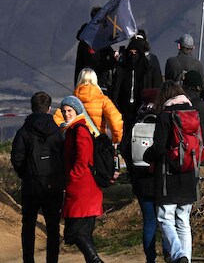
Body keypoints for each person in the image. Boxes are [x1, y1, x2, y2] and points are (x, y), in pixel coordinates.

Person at [142, 83, 201, 263]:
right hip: (190, 173)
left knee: (165, 217)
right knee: (183, 221)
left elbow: (159, 148)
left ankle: (178, 254)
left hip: (168, 174)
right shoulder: (193, 113)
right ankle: (186, 259)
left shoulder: (164, 116)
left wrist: (147, 155)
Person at [11, 91, 64, 263]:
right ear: (49, 108)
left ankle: (28, 260)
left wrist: (25, 174)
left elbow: (17, 158)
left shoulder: (24, 131)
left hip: (31, 184)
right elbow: (64, 157)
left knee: (28, 225)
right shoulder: (57, 132)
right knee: (53, 227)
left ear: (32, 108)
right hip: (53, 185)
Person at [60, 95, 105, 263]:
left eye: (70, 110)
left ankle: (96, 261)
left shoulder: (79, 131)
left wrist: (70, 179)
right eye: (64, 111)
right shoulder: (72, 130)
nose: (66, 114)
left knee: (76, 232)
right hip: (81, 189)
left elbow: (82, 160)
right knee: (81, 234)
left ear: (77, 111)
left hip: (82, 189)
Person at [120, 88, 160, 263]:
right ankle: (168, 254)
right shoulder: (163, 120)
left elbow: (125, 150)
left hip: (141, 180)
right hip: (160, 179)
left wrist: (132, 173)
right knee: (166, 221)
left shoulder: (136, 121)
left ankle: (150, 258)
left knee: (149, 222)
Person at [54, 68, 124, 145]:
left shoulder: (71, 100)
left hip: (76, 142)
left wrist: (67, 132)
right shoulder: (103, 100)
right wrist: (115, 140)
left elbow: (56, 120)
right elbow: (116, 120)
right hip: (97, 143)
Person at [111, 32, 163, 128]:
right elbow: (117, 86)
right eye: (131, 53)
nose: (133, 55)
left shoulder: (149, 63)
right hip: (125, 107)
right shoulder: (124, 65)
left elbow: (156, 83)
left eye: (136, 53)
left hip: (143, 107)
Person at [75, 7, 117, 95]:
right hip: (93, 85)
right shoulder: (91, 40)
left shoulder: (88, 38)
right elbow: (96, 63)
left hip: (86, 83)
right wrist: (113, 61)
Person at [181, 71, 204, 162]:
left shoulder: (176, 102)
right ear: (197, 87)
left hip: (178, 152)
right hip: (197, 153)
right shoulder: (201, 106)